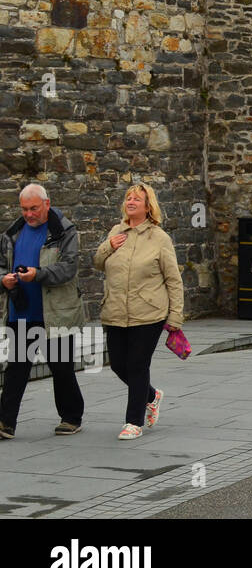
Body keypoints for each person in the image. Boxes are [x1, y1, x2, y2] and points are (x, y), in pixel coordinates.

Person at [93, 183, 184, 440]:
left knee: (137, 365)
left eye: (137, 199)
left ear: (147, 206)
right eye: (128, 198)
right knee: (118, 365)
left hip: (149, 313)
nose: (131, 202)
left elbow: (174, 280)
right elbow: (98, 263)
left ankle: (133, 422)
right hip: (115, 311)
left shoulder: (159, 238)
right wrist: (108, 246)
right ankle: (152, 395)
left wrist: (175, 316)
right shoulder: (116, 231)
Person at [0, 184, 86, 439]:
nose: (28, 214)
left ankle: (71, 417)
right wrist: (4, 279)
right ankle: (5, 423)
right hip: (21, 311)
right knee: (16, 368)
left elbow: (68, 268)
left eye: (33, 208)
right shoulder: (12, 232)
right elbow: (1, 266)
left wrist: (39, 274)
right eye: (24, 209)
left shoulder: (64, 231)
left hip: (55, 313)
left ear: (46, 204)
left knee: (61, 367)